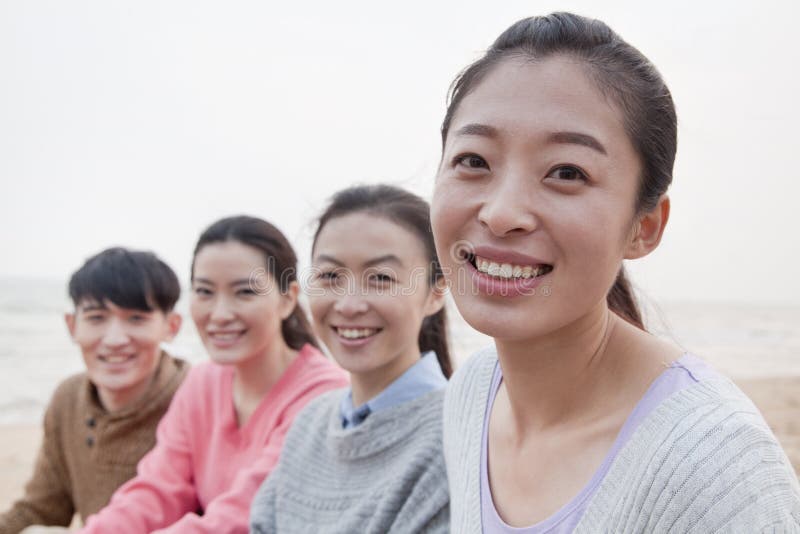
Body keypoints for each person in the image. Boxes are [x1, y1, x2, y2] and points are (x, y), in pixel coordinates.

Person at [430, 12, 800, 533]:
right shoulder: (470, 396)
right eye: (473, 160)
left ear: (644, 226)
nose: (501, 212)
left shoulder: (718, 471)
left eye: (567, 172)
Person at [75, 216, 348, 533]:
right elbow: (159, 488)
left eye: (244, 292)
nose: (219, 314)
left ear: (287, 299)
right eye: (204, 291)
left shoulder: (323, 396)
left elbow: (245, 514)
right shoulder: (202, 382)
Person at [250, 185, 451, 533]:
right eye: (330, 276)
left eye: (380, 279)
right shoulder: (310, 422)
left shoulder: (456, 437)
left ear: (435, 293)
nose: (348, 304)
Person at [0, 247, 188, 534]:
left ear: (171, 326)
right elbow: (41, 510)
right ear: (72, 325)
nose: (114, 339)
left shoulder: (196, 398)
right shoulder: (69, 399)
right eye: (96, 318)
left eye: (136, 318)